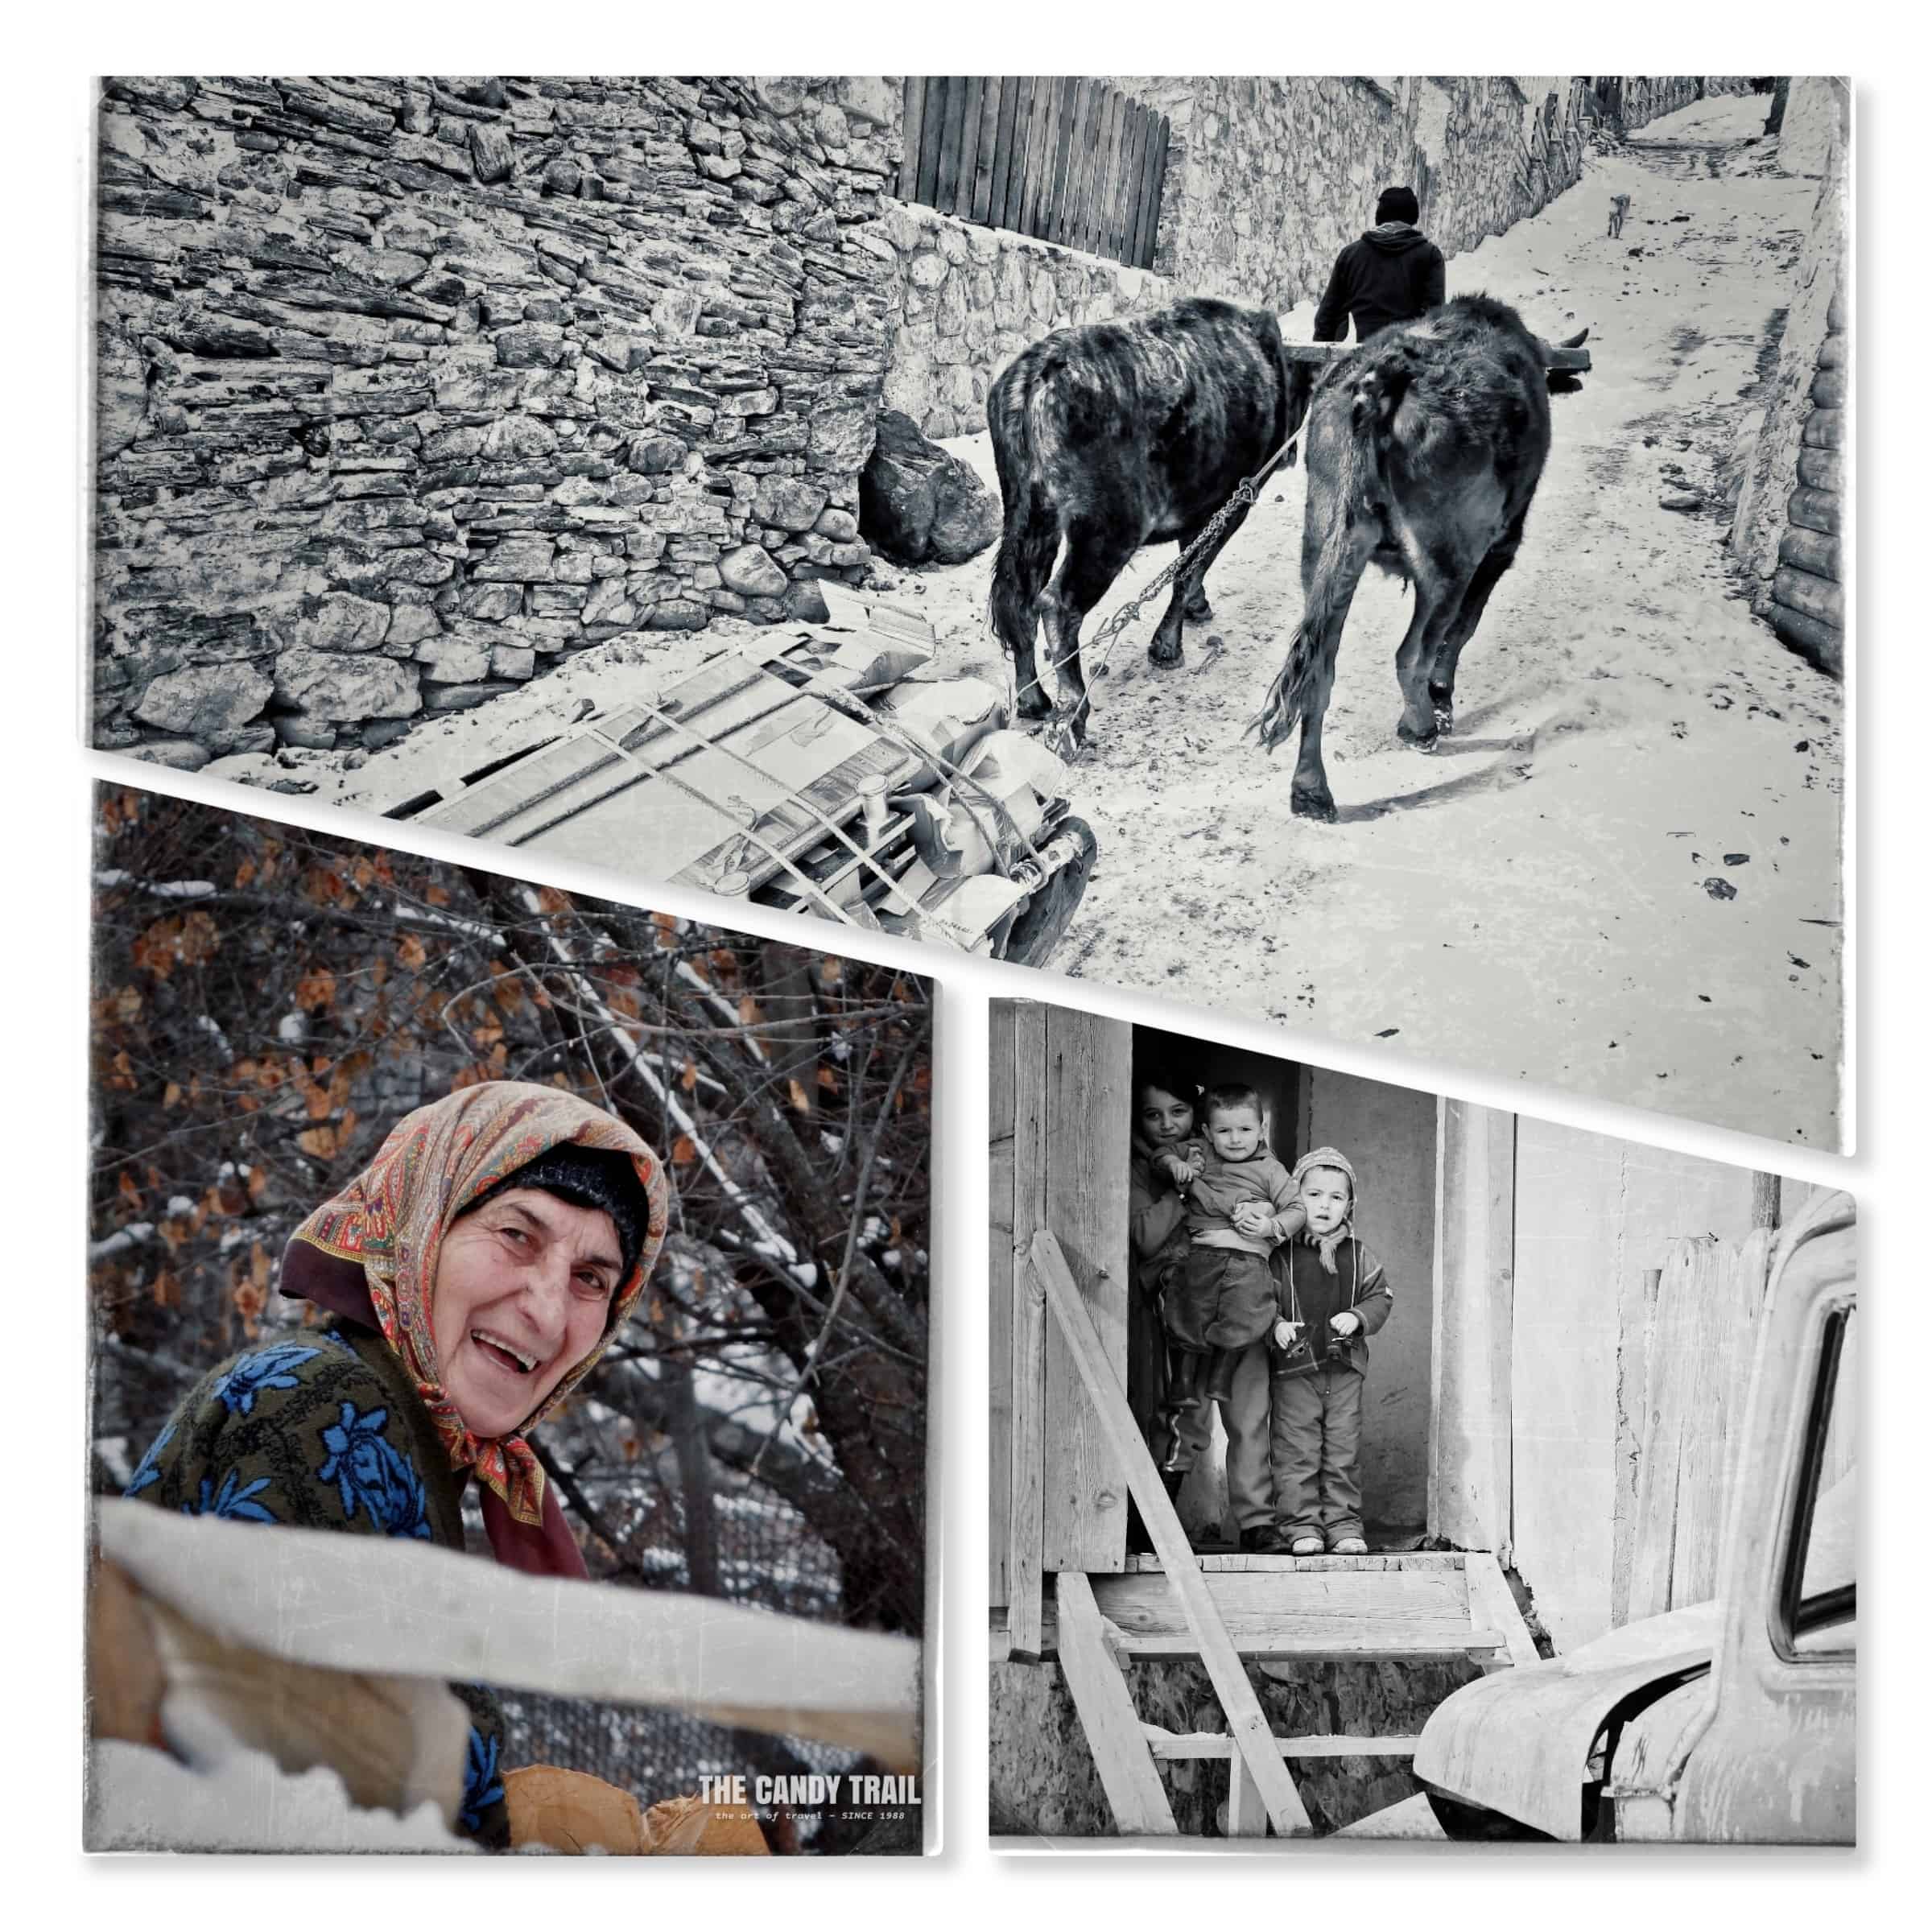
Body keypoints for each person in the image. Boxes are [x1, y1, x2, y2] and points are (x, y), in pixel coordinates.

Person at [119, 1080, 671, 1846]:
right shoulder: (320, 1405)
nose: (547, 1310)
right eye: (517, 1235)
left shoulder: (409, 1445)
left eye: (591, 1280)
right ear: (422, 1227)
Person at [1266, 1146, 1393, 1556]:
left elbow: (1380, 1296)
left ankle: (1342, 1525)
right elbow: (1259, 1297)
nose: (1324, 1205)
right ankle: (1301, 1525)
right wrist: (1275, 1323)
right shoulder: (1279, 1255)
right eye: (1314, 1194)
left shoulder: (1359, 1255)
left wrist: (1358, 1316)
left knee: (1342, 1451)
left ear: (1349, 1205)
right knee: (1296, 1449)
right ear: (1293, 1198)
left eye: (1336, 1197)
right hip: (1295, 1371)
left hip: (1344, 1369)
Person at [1158, 1085, 1309, 1412]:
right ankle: (1183, 1380)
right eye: (1224, 1131)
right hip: (1203, 1252)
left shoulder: (1271, 1170)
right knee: (1187, 1309)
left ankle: (1221, 1375)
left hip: (1249, 1260)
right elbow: (1160, 1153)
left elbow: (1297, 1209)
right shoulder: (1200, 1153)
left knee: (1247, 1312)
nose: (1236, 1139)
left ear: (1262, 1129)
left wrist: (1271, 1227)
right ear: (1208, 1132)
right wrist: (1174, 1164)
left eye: (1245, 1130)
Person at [1312, 185, 1447, 345]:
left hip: (1365, 360)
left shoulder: (1351, 255)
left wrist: (1320, 360)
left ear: (1379, 217)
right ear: (1413, 218)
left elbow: (1328, 318)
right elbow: (1433, 319)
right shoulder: (1429, 255)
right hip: (1410, 360)